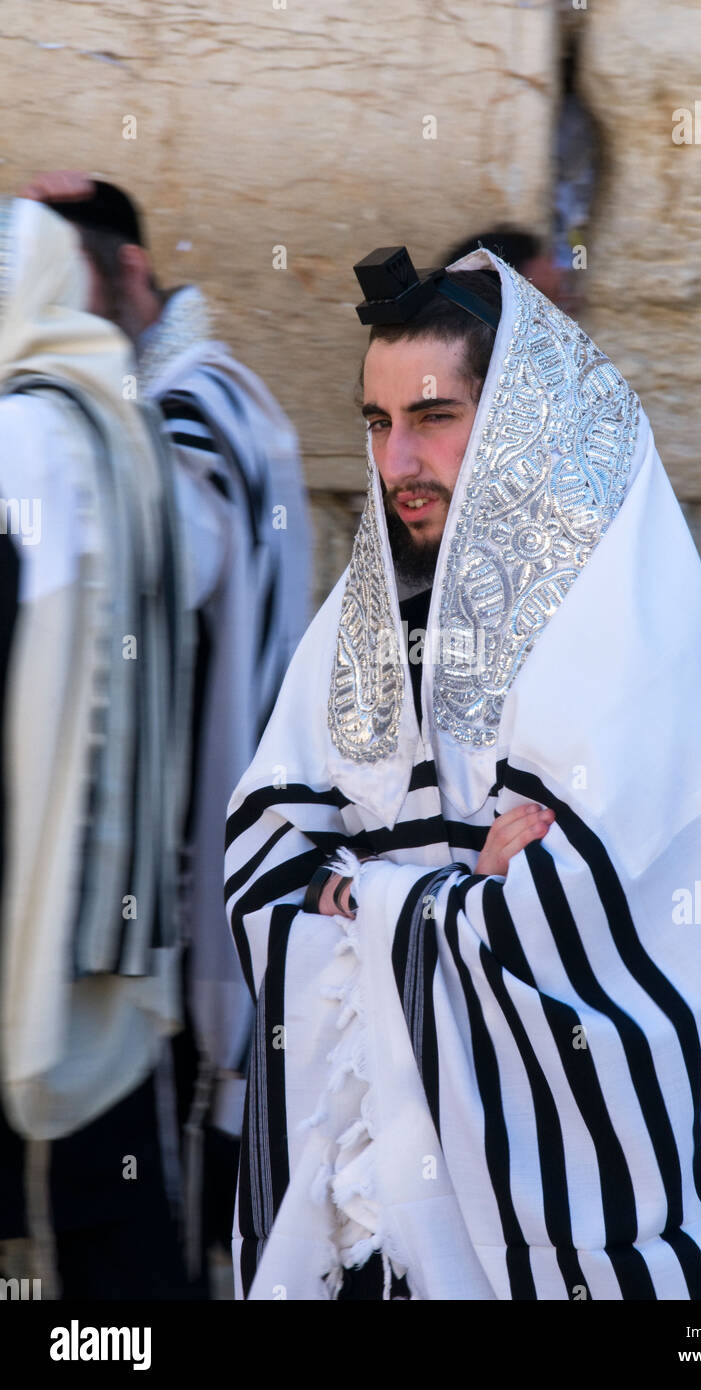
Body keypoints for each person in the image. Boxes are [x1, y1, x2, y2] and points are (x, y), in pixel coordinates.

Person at [225, 244, 701, 1300]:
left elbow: (586, 912)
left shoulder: (634, 626)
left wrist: (371, 904)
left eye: (432, 417)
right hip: (378, 1215)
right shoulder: (355, 622)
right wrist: (447, 898)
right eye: (377, 422)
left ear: (518, 422)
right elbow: (264, 861)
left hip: (577, 1221)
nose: (396, 465)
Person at [21, 173, 313, 1283]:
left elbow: (169, 568)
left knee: (172, 1213)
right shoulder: (205, 400)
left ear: (129, 277)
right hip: (195, 875)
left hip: (189, 891)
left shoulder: (184, 411)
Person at [0, 196, 193, 1297]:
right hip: (114, 908)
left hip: (24, 882)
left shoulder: (18, 434)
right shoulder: (121, 419)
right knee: (115, 1202)